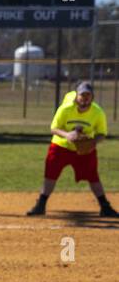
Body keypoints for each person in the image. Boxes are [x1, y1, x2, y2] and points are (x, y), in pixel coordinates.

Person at [26, 81, 117, 217]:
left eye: (88, 95)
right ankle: (41, 205)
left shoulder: (97, 112)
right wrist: (67, 135)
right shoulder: (66, 108)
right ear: (76, 96)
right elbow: (53, 128)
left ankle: (105, 207)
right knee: (50, 175)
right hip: (61, 146)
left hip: (84, 150)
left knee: (93, 176)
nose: (85, 98)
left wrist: (93, 142)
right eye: (82, 95)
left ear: (92, 97)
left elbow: (102, 133)